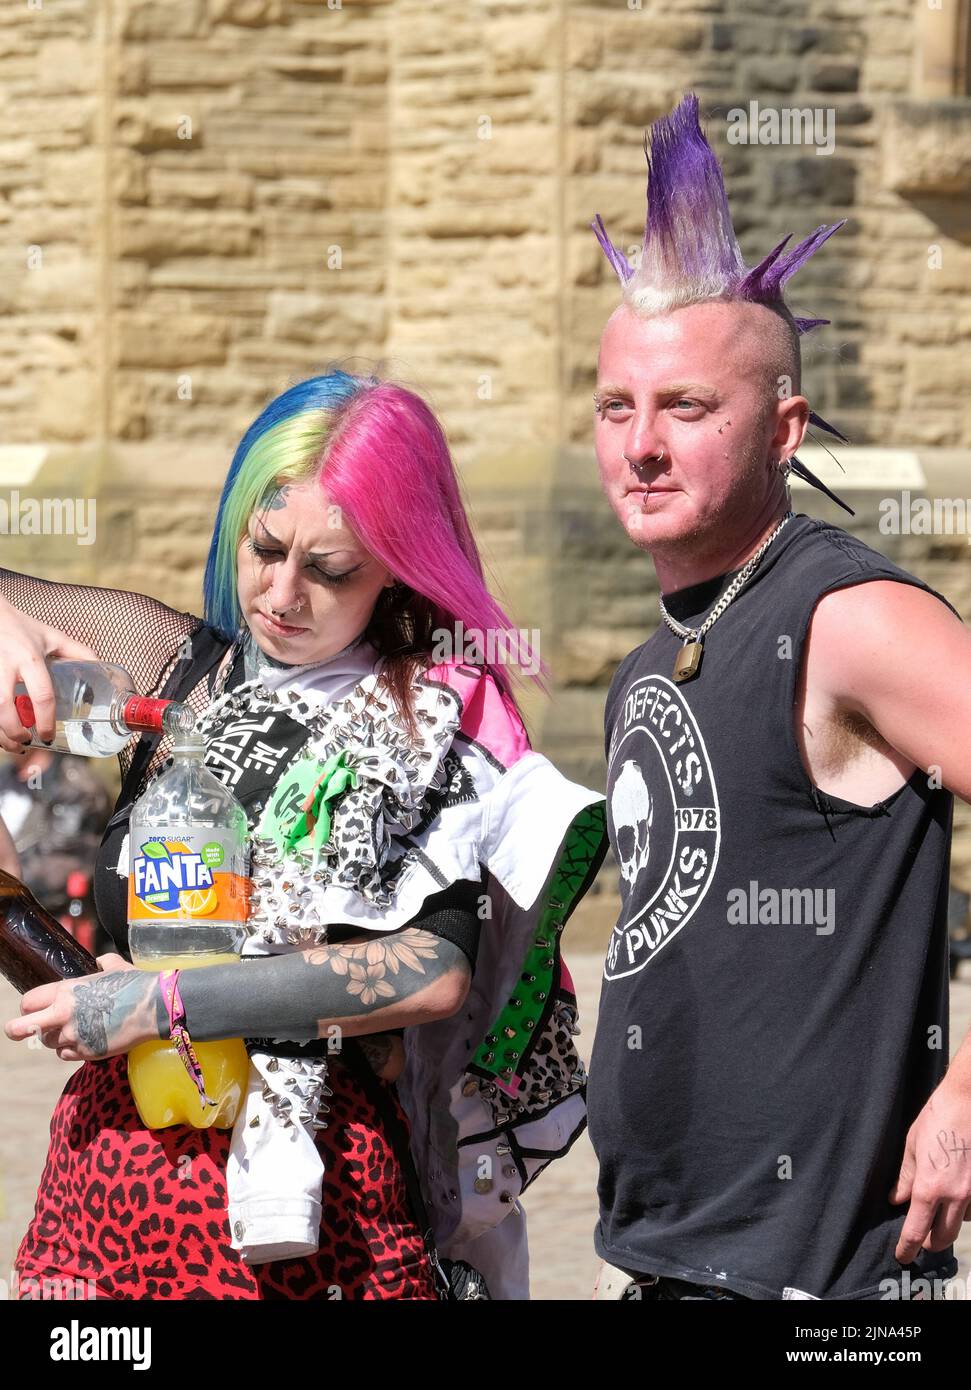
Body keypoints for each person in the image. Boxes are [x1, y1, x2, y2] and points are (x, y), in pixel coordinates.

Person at [1, 367, 607, 1301]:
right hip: (106, 1195)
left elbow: (429, 971)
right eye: (265, 548)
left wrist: (162, 1002)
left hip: (315, 1229)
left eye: (329, 571)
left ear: (397, 572)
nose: (281, 593)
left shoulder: (419, 713)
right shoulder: (183, 673)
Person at [584, 93, 971, 1302]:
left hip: (826, 1282)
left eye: (686, 409)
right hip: (654, 1259)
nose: (640, 446)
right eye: (615, 408)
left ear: (781, 426)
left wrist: (964, 1095)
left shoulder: (846, 617)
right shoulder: (647, 664)